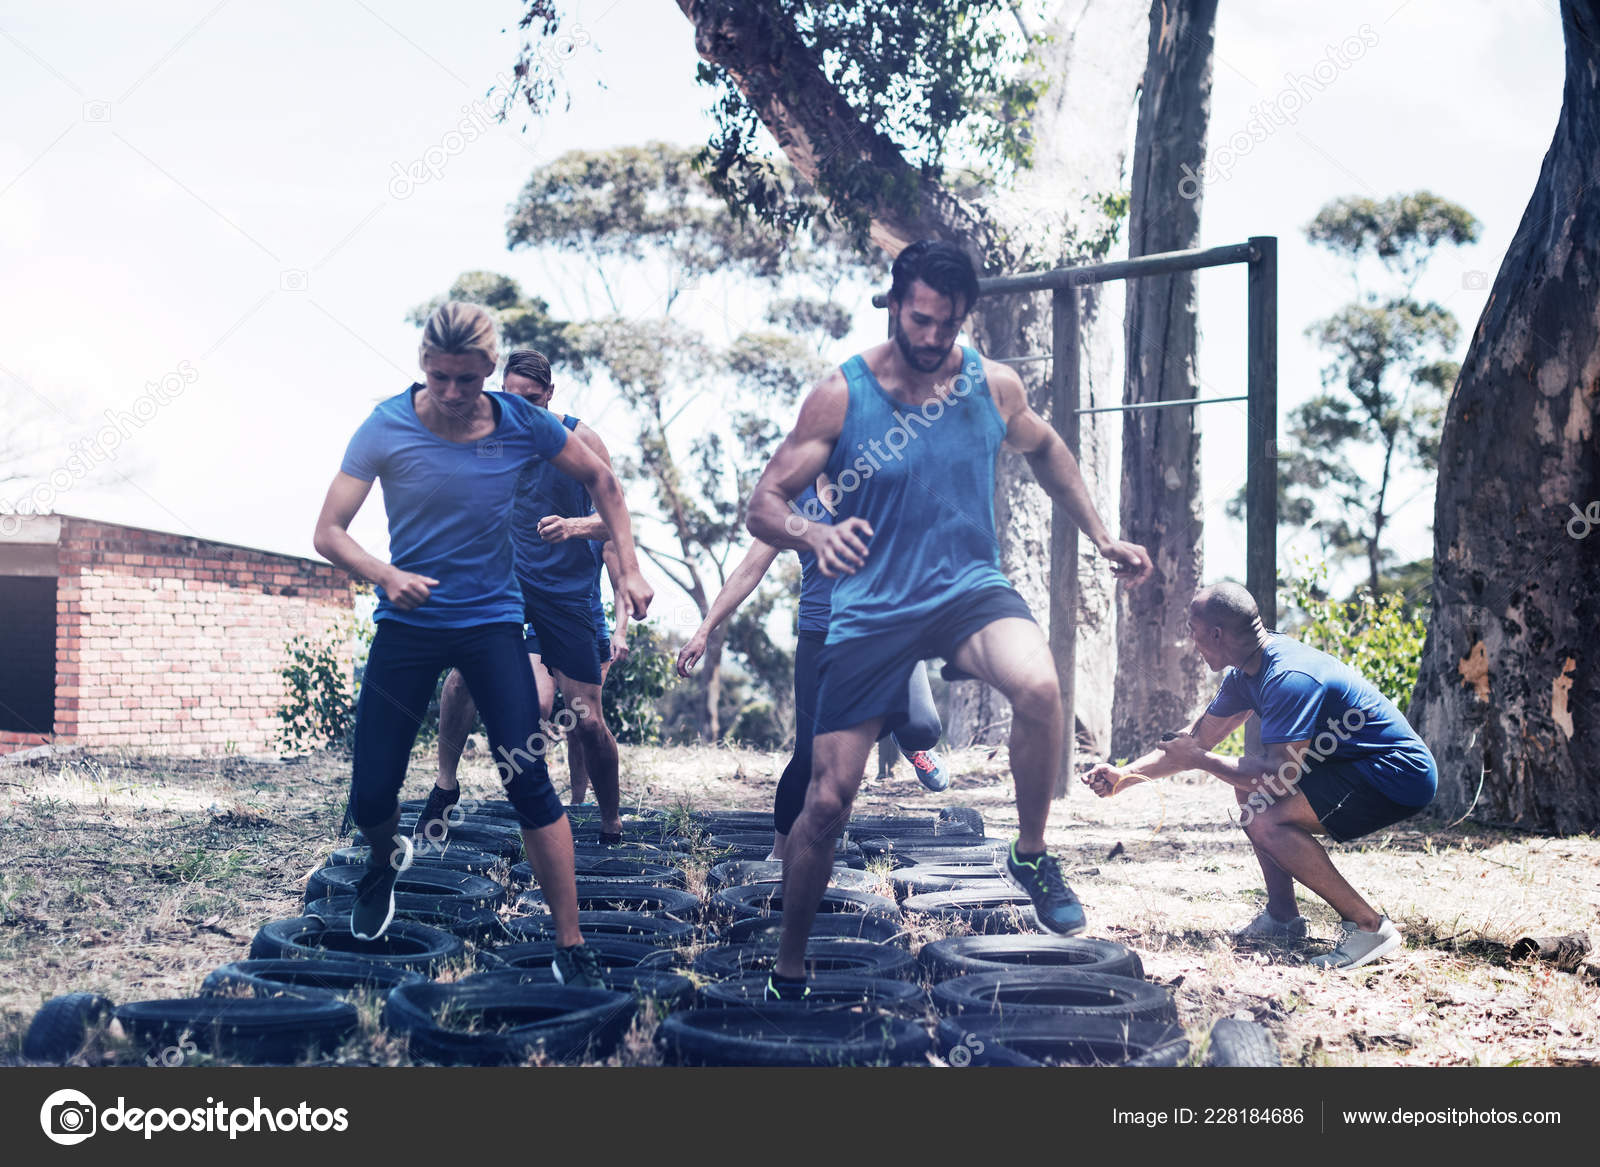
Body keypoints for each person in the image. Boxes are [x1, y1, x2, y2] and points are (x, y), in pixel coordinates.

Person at [744, 240, 1152, 999]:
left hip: (967, 589)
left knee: (1039, 686)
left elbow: (1049, 447)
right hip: (873, 608)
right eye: (922, 321)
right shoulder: (842, 394)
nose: (934, 339)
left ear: (966, 317)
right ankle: (790, 964)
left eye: (950, 324)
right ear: (895, 305)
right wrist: (815, 533)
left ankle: (1029, 852)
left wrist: (1101, 534)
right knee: (828, 802)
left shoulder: (992, 386)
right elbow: (763, 504)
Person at [312, 306, 652, 986]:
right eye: (438, 377)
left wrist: (632, 569)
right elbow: (329, 531)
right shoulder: (386, 424)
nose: (451, 393)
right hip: (408, 621)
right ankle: (383, 861)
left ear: (488, 371)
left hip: (493, 619)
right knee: (372, 791)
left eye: (466, 380)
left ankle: (570, 941)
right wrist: (385, 574)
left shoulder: (522, 421)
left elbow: (605, 484)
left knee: (526, 775)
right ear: (423, 365)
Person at [1084, 581, 1437, 971]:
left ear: (1216, 634)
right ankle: (1283, 919)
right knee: (1250, 794)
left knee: (1266, 817)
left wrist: (1200, 759)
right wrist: (1124, 776)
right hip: (1352, 765)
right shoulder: (1245, 673)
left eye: (1192, 628)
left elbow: (1275, 775)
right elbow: (1196, 741)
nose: (1190, 639)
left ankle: (1370, 928)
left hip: (1397, 774)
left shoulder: (1288, 677)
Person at [677, 478, 950, 861]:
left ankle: (906, 741)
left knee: (924, 728)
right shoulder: (795, 501)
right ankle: (778, 854)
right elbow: (749, 569)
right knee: (810, 755)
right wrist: (705, 630)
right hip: (822, 637)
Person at [425, 349, 630, 846]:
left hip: (568, 594)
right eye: (511, 399)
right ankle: (445, 788)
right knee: (460, 682)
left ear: (551, 395)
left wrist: (573, 526)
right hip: (507, 585)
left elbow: (618, 522)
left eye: (532, 401)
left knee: (586, 720)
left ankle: (608, 820)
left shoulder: (582, 440)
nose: (521, 411)